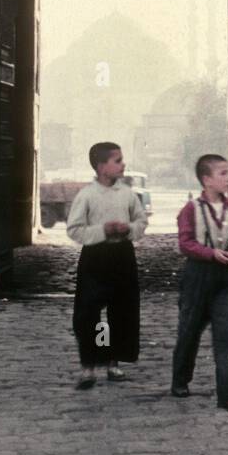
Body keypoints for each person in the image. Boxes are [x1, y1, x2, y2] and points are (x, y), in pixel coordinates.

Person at [171, 154, 228, 413]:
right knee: (189, 331)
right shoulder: (191, 209)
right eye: (223, 173)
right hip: (197, 276)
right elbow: (185, 243)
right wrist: (210, 254)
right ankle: (181, 379)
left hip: (224, 278)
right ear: (206, 180)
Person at [66, 142, 148, 390]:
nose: (123, 165)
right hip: (95, 257)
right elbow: (75, 230)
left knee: (121, 311)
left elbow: (141, 222)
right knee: (89, 312)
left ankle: (113, 362)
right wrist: (102, 230)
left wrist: (129, 229)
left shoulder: (128, 195)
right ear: (102, 167)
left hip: (122, 256)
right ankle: (89, 365)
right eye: (118, 160)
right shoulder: (87, 195)